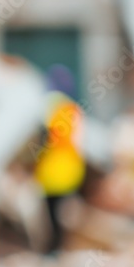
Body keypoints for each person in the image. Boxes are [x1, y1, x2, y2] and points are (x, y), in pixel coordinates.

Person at [34, 64, 86, 255]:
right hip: (69, 169)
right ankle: (59, 247)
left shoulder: (53, 108)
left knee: (52, 212)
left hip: (55, 170)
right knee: (60, 212)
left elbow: (47, 140)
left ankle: (54, 249)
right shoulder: (74, 111)